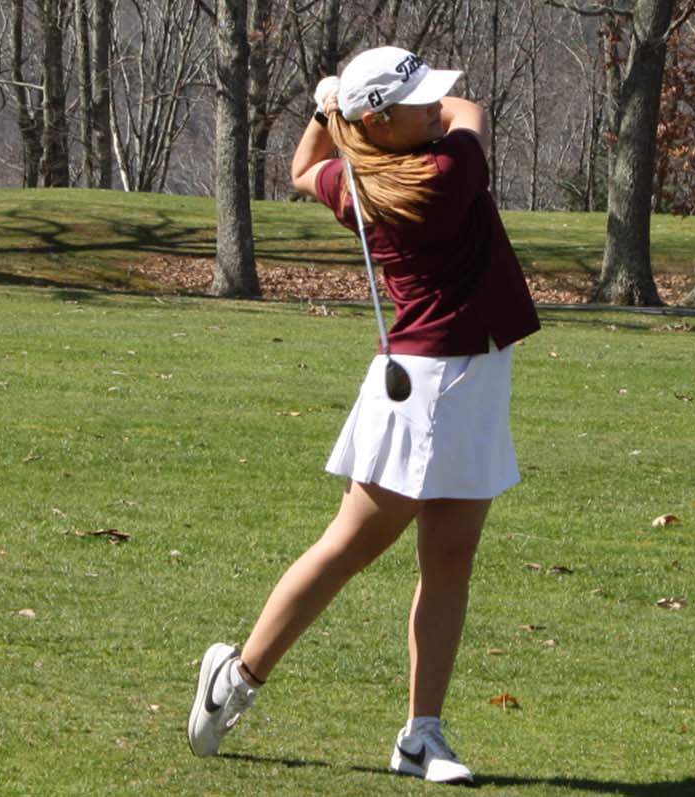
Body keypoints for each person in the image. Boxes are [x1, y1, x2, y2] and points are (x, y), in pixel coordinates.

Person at [187, 46, 540, 786]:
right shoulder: (447, 173)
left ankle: (422, 734)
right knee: (350, 546)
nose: (434, 105)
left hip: (471, 374)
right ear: (384, 121)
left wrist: (330, 110)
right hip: (428, 385)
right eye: (416, 101)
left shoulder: (357, 182)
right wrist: (351, 107)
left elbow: (298, 167)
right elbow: (469, 113)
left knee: (450, 558)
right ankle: (235, 677)